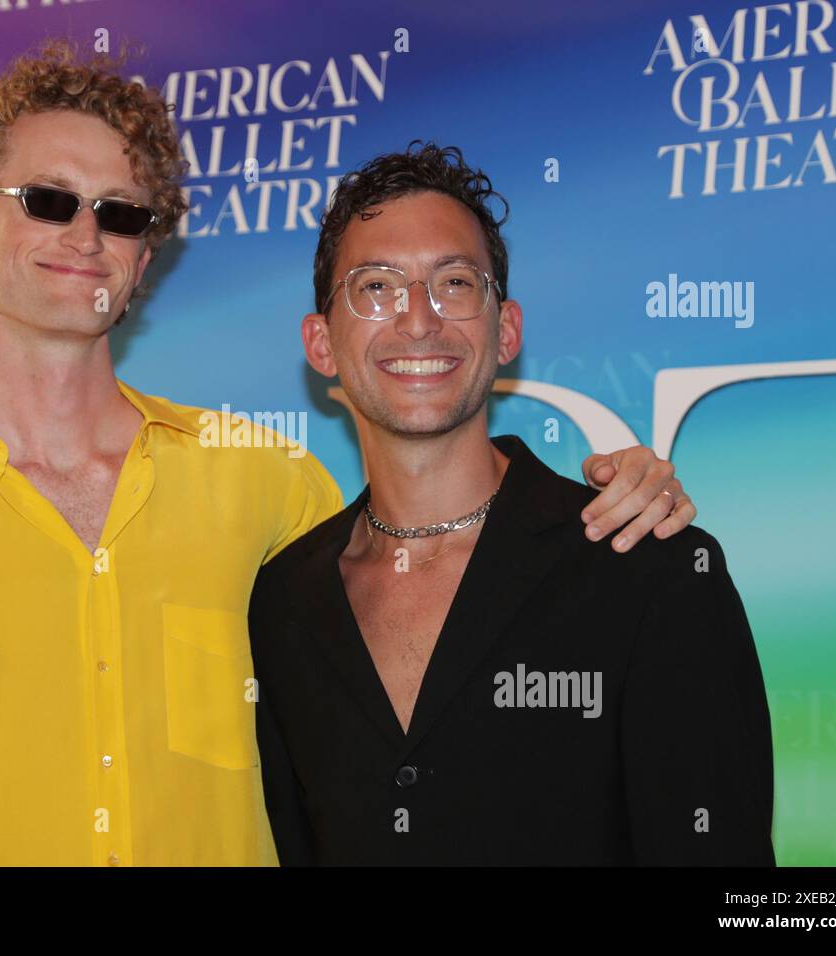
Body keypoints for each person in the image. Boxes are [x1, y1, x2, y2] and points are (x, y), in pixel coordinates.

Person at [0, 41, 698, 866]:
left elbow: (430, 627)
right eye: (48, 201)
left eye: (121, 214)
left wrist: (621, 491)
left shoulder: (268, 486)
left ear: (144, 258)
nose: (86, 235)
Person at [249, 143, 774, 866]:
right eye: (376, 287)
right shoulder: (283, 602)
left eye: (454, 283)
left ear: (506, 331)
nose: (418, 320)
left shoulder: (649, 569)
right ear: (321, 344)